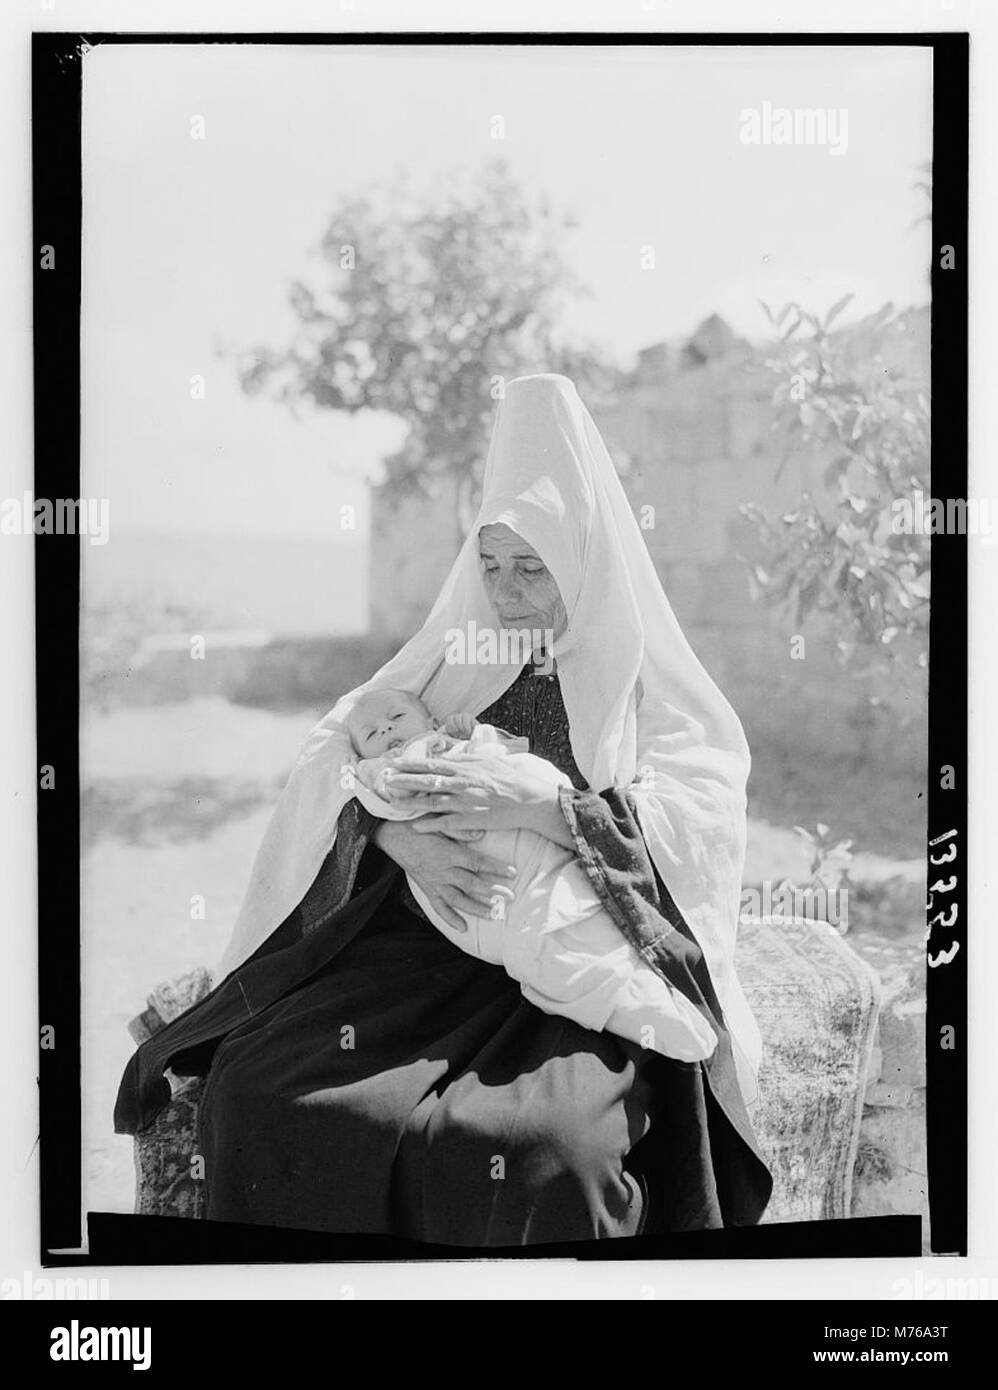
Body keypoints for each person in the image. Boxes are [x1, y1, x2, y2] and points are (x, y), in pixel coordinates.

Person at [115, 373, 773, 1245]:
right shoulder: (461, 648)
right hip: (423, 947)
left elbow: (700, 821)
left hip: (569, 971)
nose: (506, 592)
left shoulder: (649, 681)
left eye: (532, 568)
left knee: (543, 1147)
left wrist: (552, 808)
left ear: (584, 555)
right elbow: (337, 749)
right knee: (259, 1088)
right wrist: (390, 834)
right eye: (490, 565)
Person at [345, 687, 720, 1062]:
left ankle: (652, 1007)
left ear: (430, 721)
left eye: (397, 719)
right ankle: (636, 1008)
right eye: (372, 734)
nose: (387, 731)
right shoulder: (429, 682)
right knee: (538, 954)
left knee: (574, 924)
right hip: (467, 912)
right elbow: (338, 788)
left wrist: (539, 802)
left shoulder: (650, 688)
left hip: (555, 857)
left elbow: (677, 828)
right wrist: (390, 834)